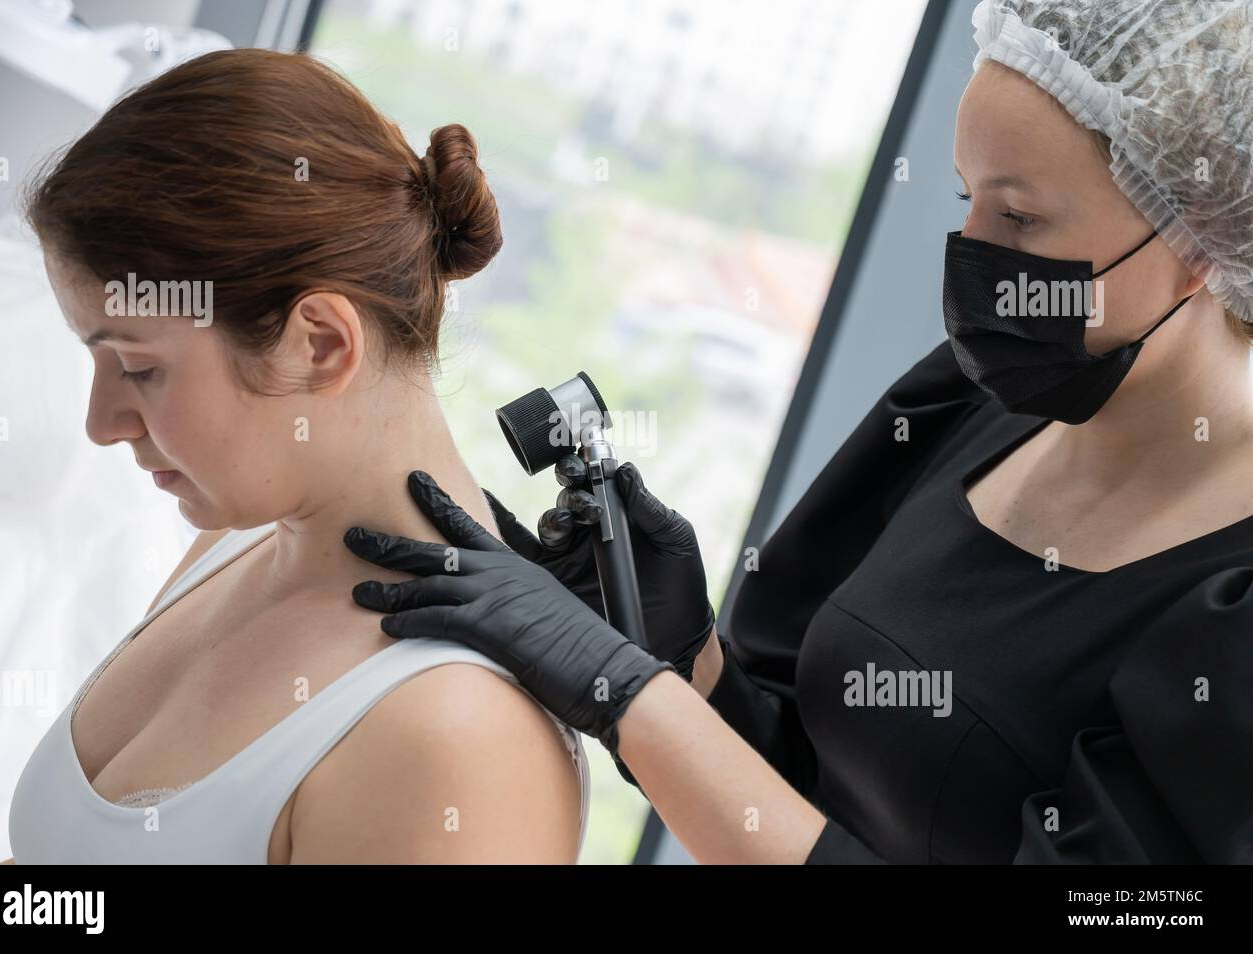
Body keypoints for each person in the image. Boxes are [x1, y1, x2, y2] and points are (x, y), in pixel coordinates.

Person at [343, 0, 1253, 864]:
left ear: (1199, 241)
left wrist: (630, 698)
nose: (969, 253)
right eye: (966, 198)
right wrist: (681, 657)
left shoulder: (1233, 616)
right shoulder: (969, 402)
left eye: (1019, 217)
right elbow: (784, 780)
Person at [3, 49, 588, 864]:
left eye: (139, 368)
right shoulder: (235, 548)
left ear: (318, 345)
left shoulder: (455, 740)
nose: (102, 423)